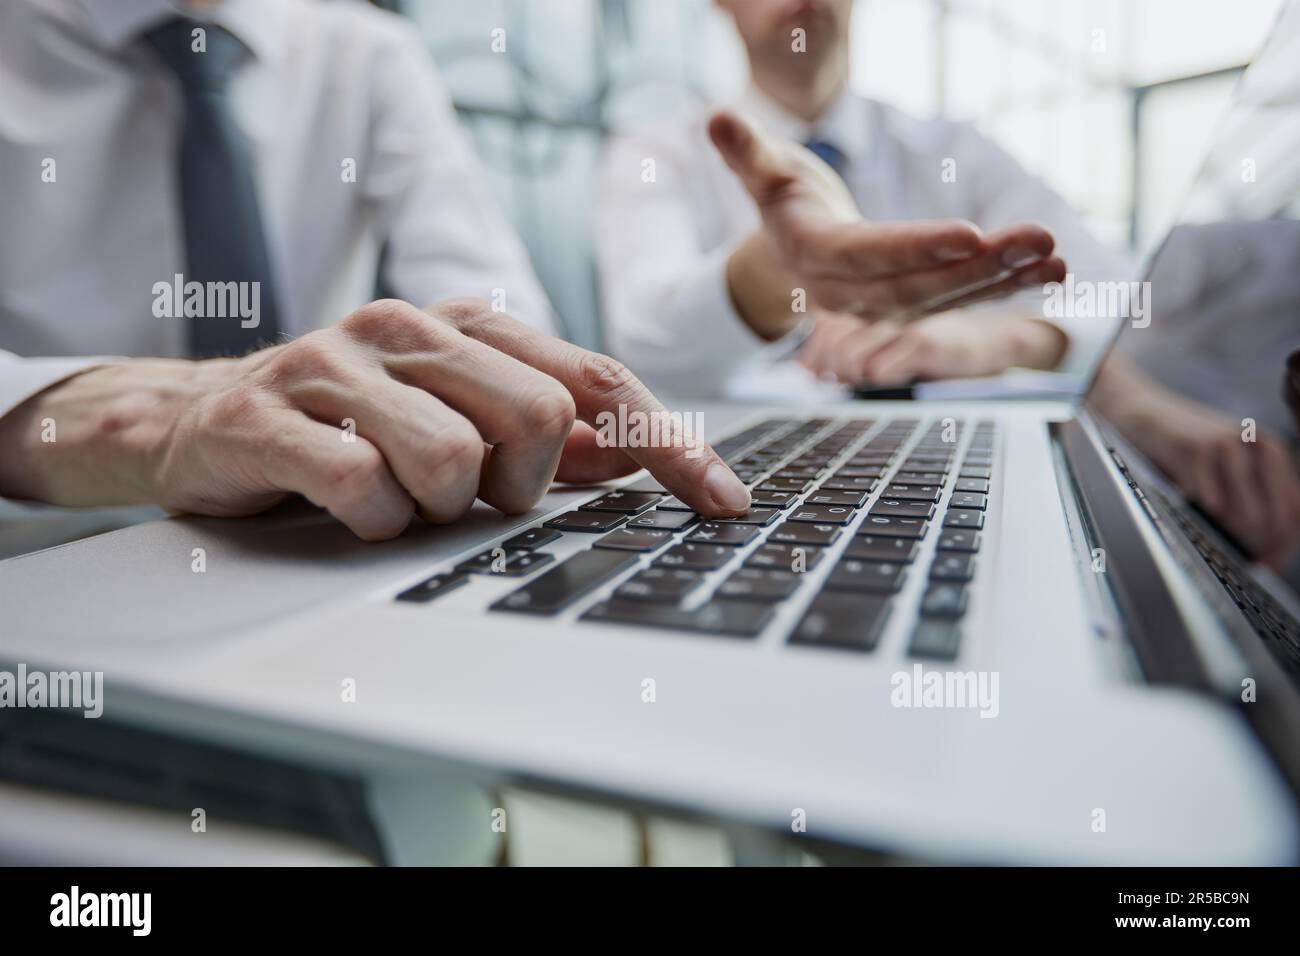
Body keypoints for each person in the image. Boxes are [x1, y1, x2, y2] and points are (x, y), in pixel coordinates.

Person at [0, 0, 1057, 539]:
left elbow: (512, 331)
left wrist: (498, 384)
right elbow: (653, 332)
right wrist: (142, 419)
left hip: (316, 540)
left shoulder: (364, 55)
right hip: (38, 551)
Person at [597, 0, 1131, 398]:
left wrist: (1000, 341)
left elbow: (1106, 286)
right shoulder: (657, 154)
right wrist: (770, 277)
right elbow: (642, 345)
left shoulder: (953, 150)